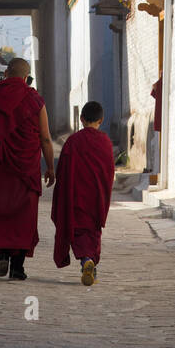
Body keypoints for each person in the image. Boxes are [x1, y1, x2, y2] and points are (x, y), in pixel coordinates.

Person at [0, 58, 54, 280]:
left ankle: (1, 256)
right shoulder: (35, 100)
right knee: (23, 216)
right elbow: (45, 138)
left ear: (5, 73)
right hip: (26, 170)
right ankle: (18, 267)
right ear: (26, 77)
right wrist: (51, 167)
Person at [51, 100, 115, 287]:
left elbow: (62, 171)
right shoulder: (105, 142)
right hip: (96, 197)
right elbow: (109, 172)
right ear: (101, 120)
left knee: (78, 231)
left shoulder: (73, 141)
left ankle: (86, 260)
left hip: (76, 197)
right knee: (93, 231)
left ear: (81, 119)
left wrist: (61, 193)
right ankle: (90, 262)